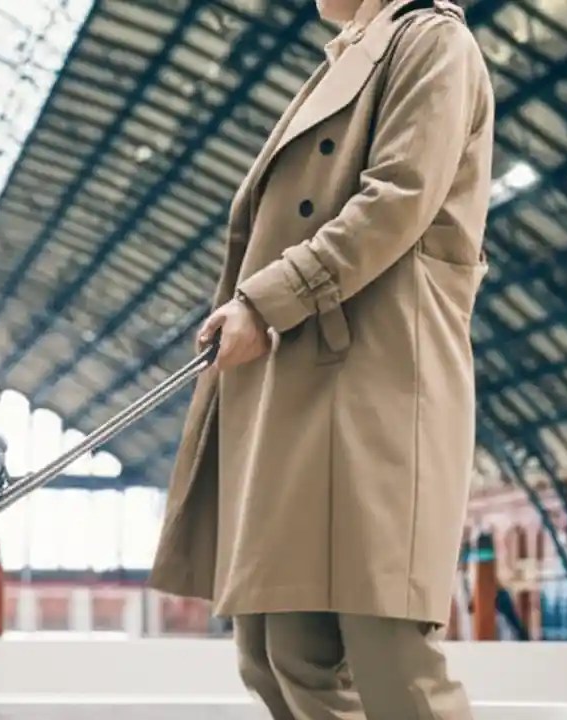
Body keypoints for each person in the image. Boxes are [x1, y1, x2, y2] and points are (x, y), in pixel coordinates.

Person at [148, 0, 495, 716]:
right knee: (279, 656)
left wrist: (267, 300)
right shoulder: (348, 56)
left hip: (378, 382)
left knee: (389, 654)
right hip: (302, 389)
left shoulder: (433, 41)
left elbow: (397, 197)